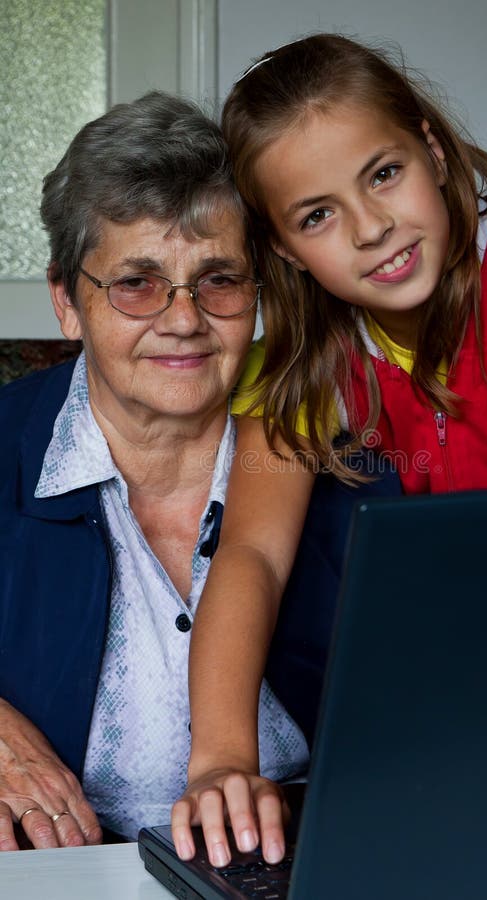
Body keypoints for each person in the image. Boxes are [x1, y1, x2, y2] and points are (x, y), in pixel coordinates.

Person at [171, 31, 487, 866]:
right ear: (284, 248)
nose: (371, 229)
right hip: (421, 739)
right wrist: (221, 761)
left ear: (429, 145)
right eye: (317, 215)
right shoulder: (301, 364)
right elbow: (251, 556)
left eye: (382, 174)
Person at [0, 90, 319, 851]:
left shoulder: (333, 460)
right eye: (136, 282)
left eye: (219, 279)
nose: (183, 319)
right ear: (67, 302)